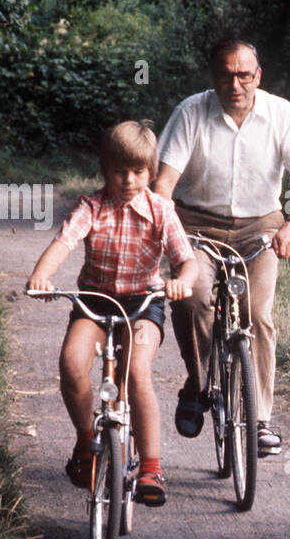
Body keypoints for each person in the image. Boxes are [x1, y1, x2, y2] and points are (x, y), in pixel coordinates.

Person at [153, 38, 290, 456]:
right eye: (226, 75)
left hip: (259, 228)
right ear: (213, 77)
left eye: (244, 75)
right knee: (192, 298)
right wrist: (170, 235)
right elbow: (163, 187)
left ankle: (259, 419)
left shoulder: (281, 114)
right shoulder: (191, 112)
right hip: (196, 224)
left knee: (257, 314)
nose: (235, 84)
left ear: (258, 76)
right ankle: (198, 385)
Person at [27, 121, 195, 506]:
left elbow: (186, 260)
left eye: (138, 171)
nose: (128, 180)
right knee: (72, 363)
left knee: (136, 372)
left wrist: (182, 281)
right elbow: (64, 242)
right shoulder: (92, 206)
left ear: (151, 172)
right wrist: (41, 275)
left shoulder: (161, 210)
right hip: (95, 303)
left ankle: (151, 466)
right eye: (119, 171)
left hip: (143, 304)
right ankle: (86, 440)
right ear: (105, 169)